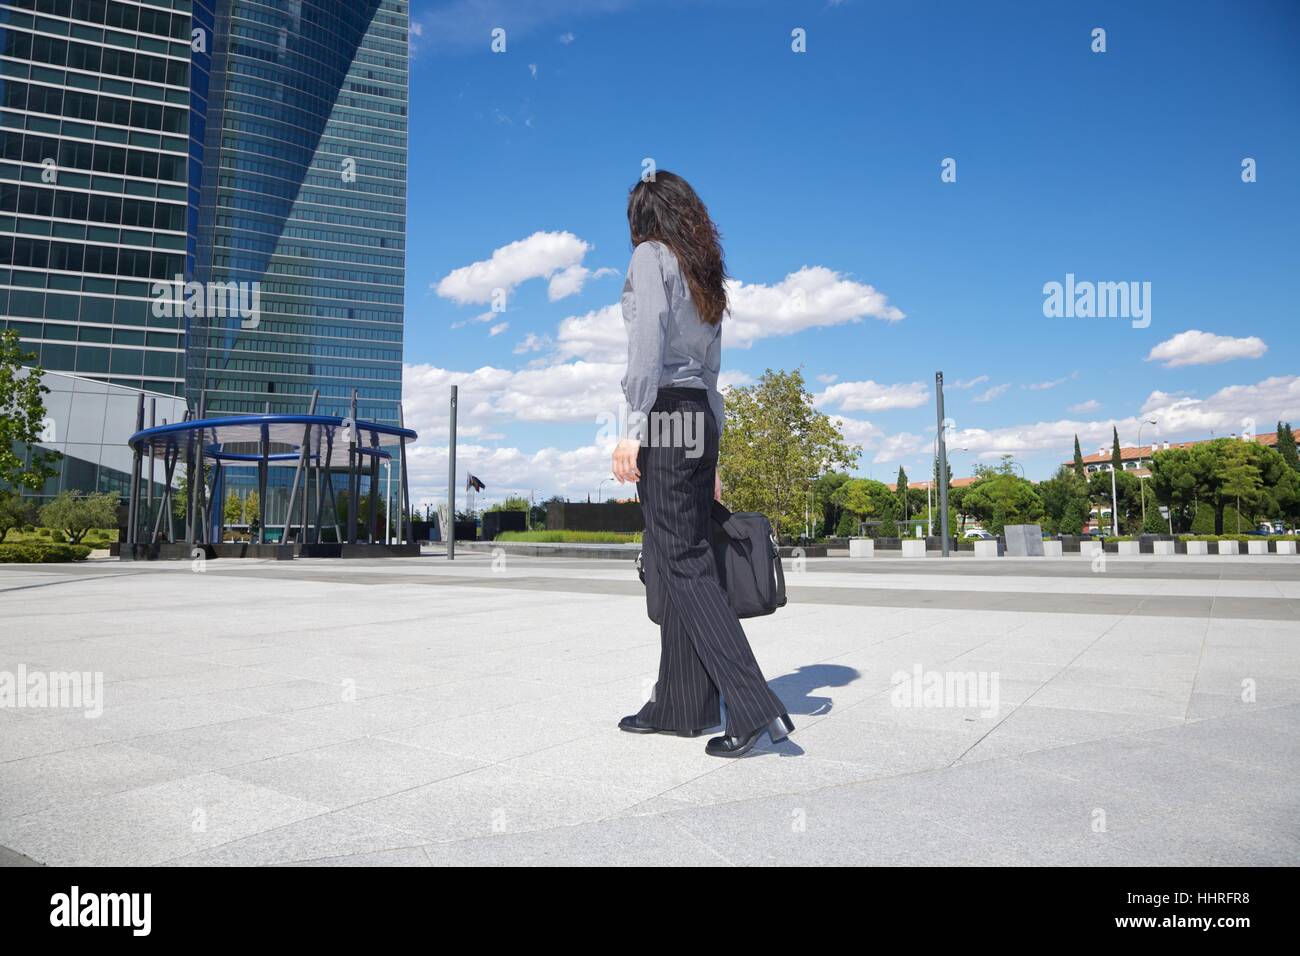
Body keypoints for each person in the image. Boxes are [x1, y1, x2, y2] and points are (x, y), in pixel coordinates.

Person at [610, 170, 793, 758]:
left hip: (663, 414)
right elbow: (710, 374)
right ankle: (681, 703)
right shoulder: (704, 273)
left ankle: (752, 703)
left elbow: (645, 351)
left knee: (683, 563)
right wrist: (712, 454)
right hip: (699, 418)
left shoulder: (649, 258)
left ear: (644, 219)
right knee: (677, 557)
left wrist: (632, 429)